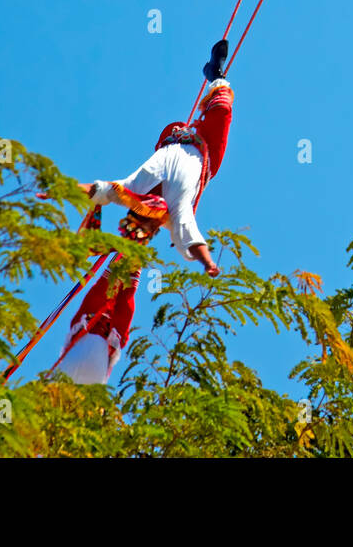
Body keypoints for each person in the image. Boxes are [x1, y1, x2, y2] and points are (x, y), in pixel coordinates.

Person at [54, 40, 235, 384]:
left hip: (180, 146)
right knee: (224, 108)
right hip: (200, 149)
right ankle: (217, 77)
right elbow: (109, 191)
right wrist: (208, 262)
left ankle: (214, 74)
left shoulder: (150, 196)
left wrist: (62, 189)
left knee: (120, 269)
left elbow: (101, 190)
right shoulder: (160, 198)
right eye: (146, 226)